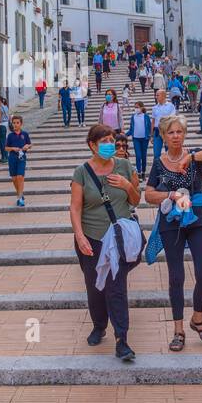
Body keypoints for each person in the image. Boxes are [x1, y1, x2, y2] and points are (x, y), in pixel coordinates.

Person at [145, 114, 202, 350]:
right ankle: (178, 329)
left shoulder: (195, 156)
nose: (176, 136)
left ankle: (197, 318)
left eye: (179, 131)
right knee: (176, 276)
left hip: (197, 218)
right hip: (171, 222)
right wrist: (169, 195)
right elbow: (148, 194)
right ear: (163, 136)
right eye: (171, 132)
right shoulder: (159, 163)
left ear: (185, 134)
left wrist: (192, 157)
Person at [70, 124, 141, 362]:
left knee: (116, 286)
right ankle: (99, 325)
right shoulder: (81, 172)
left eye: (112, 140)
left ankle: (122, 339)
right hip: (91, 237)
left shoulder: (124, 166)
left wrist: (127, 185)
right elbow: (75, 207)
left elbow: (136, 199)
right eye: (105, 141)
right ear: (92, 145)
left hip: (117, 237)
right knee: (95, 287)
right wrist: (79, 236)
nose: (111, 145)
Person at [6, 114, 32, 207]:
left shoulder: (25, 134)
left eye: (17, 123)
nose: (15, 125)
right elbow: (6, 148)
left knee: (20, 176)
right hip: (12, 158)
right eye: (14, 123)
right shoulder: (10, 136)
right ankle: (20, 193)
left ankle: (20, 198)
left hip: (21, 158)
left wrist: (27, 146)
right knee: (14, 178)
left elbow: (30, 144)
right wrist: (12, 148)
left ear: (21, 124)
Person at [150, 89, 177, 164]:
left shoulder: (171, 106)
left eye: (157, 95)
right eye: (156, 95)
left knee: (169, 152)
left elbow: (173, 119)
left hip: (167, 131)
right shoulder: (154, 108)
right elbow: (153, 122)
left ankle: (169, 169)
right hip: (157, 132)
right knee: (156, 154)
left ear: (164, 96)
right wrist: (151, 135)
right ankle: (157, 172)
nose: (156, 97)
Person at [128, 101, 151, 176]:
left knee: (144, 156)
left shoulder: (146, 116)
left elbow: (150, 127)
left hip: (145, 139)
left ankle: (143, 171)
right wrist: (125, 135)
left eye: (137, 107)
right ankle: (139, 172)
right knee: (138, 155)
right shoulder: (133, 117)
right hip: (136, 139)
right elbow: (131, 129)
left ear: (142, 108)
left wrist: (151, 136)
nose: (136, 109)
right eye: (135, 107)